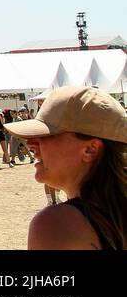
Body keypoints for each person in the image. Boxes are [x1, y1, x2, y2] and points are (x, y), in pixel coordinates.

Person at [7, 85, 127, 250]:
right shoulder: (114, 215)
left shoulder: (57, 224)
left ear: (90, 149)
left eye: (46, 135)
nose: (31, 143)